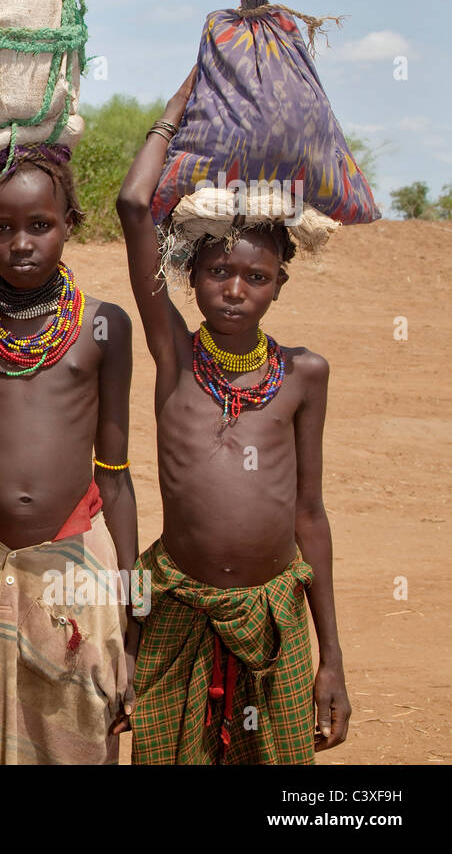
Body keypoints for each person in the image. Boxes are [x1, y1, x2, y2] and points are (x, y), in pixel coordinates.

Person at [114, 67, 350, 763]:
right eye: (219, 271)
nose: (235, 289)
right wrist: (182, 103)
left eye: (256, 276)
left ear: (280, 283)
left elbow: (310, 513)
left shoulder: (304, 375)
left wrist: (330, 657)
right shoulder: (176, 358)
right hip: (178, 610)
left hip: (275, 619)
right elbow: (133, 206)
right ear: (192, 275)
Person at [0, 146, 137, 764]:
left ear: (70, 223)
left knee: (78, 737)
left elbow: (114, 480)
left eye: (40, 225)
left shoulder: (104, 328)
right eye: (1, 228)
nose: (21, 243)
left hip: (77, 566)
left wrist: (133, 618)